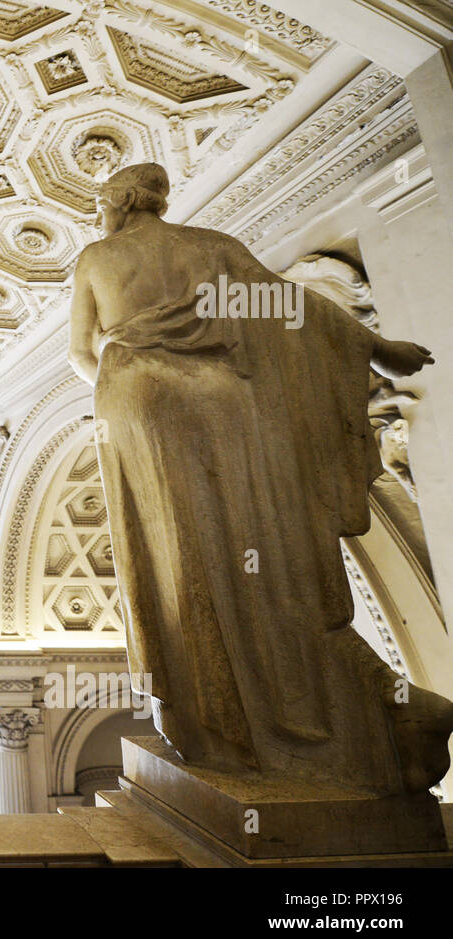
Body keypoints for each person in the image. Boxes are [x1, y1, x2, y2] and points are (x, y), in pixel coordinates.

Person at [69, 162, 453, 794]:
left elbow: (82, 354)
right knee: (257, 542)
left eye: (103, 204)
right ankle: (323, 700)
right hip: (222, 397)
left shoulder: (97, 257)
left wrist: (124, 383)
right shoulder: (211, 247)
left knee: (178, 557)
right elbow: (287, 305)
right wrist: (379, 348)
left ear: (118, 203)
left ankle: (218, 719)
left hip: (138, 398)